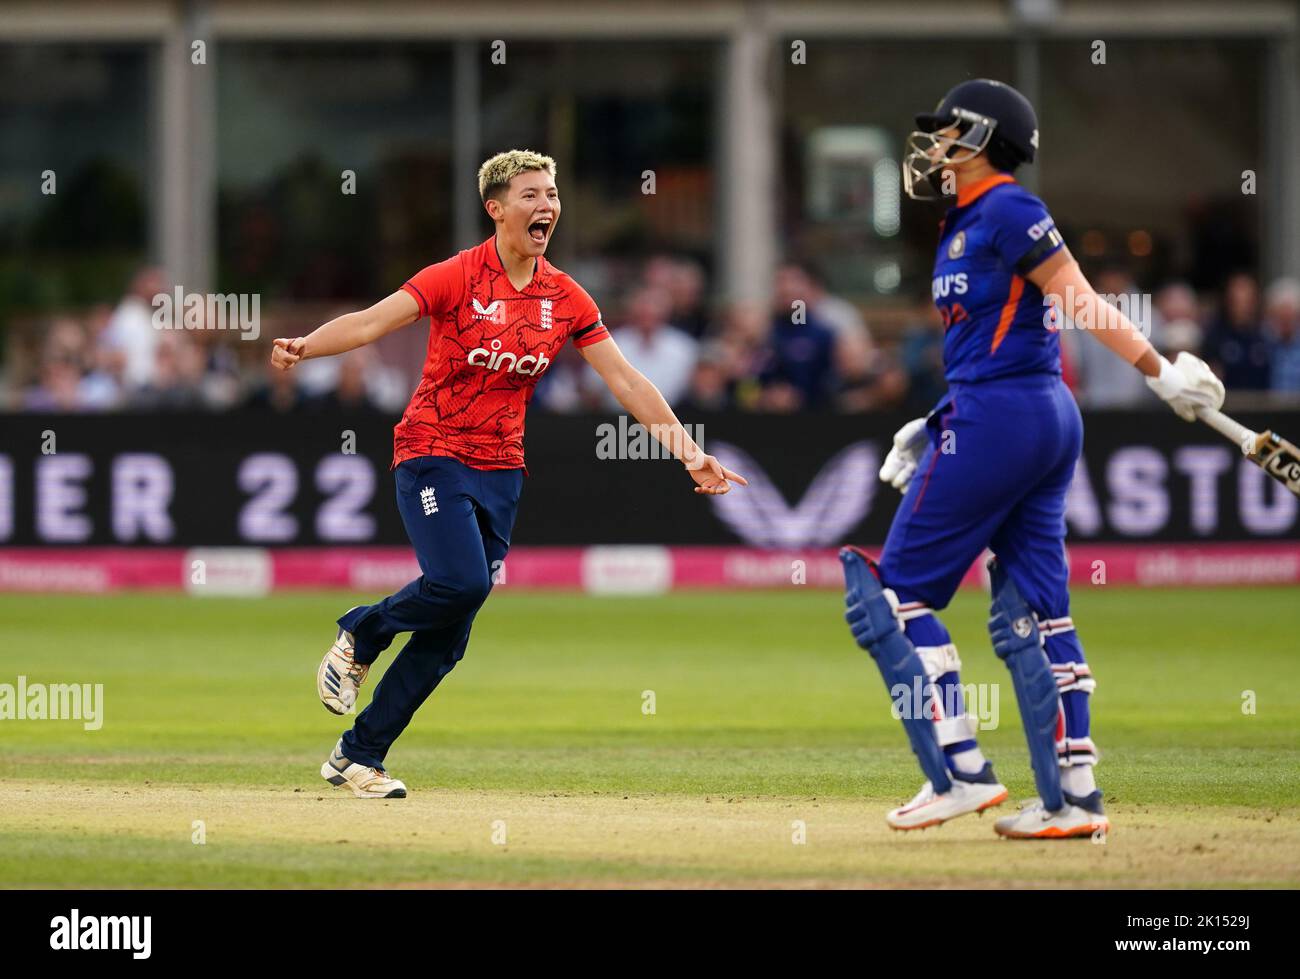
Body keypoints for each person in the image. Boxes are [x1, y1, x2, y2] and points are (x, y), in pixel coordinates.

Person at [270, 150, 745, 799]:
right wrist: (306, 345)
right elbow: (373, 321)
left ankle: (358, 755)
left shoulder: (566, 296)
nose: (545, 205)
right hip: (432, 449)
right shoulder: (455, 276)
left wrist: (688, 450)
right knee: (460, 581)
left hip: (502, 470)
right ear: (496, 208)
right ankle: (364, 628)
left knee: (449, 636)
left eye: (551, 194)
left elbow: (625, 380)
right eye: (530, 195)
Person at [840, 80, 1225, 839]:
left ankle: (960, 772)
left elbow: (1077, 299)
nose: (935, 144)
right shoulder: (962, 225)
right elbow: (994, 342)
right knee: (1037, 612)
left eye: (947, 131)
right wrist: (935, 417)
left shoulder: (1009, 207)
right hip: (1018, 412)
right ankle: (1075, 797)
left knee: (893, 598)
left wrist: (1159, 371)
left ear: (981, 138)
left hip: (1007, 415)